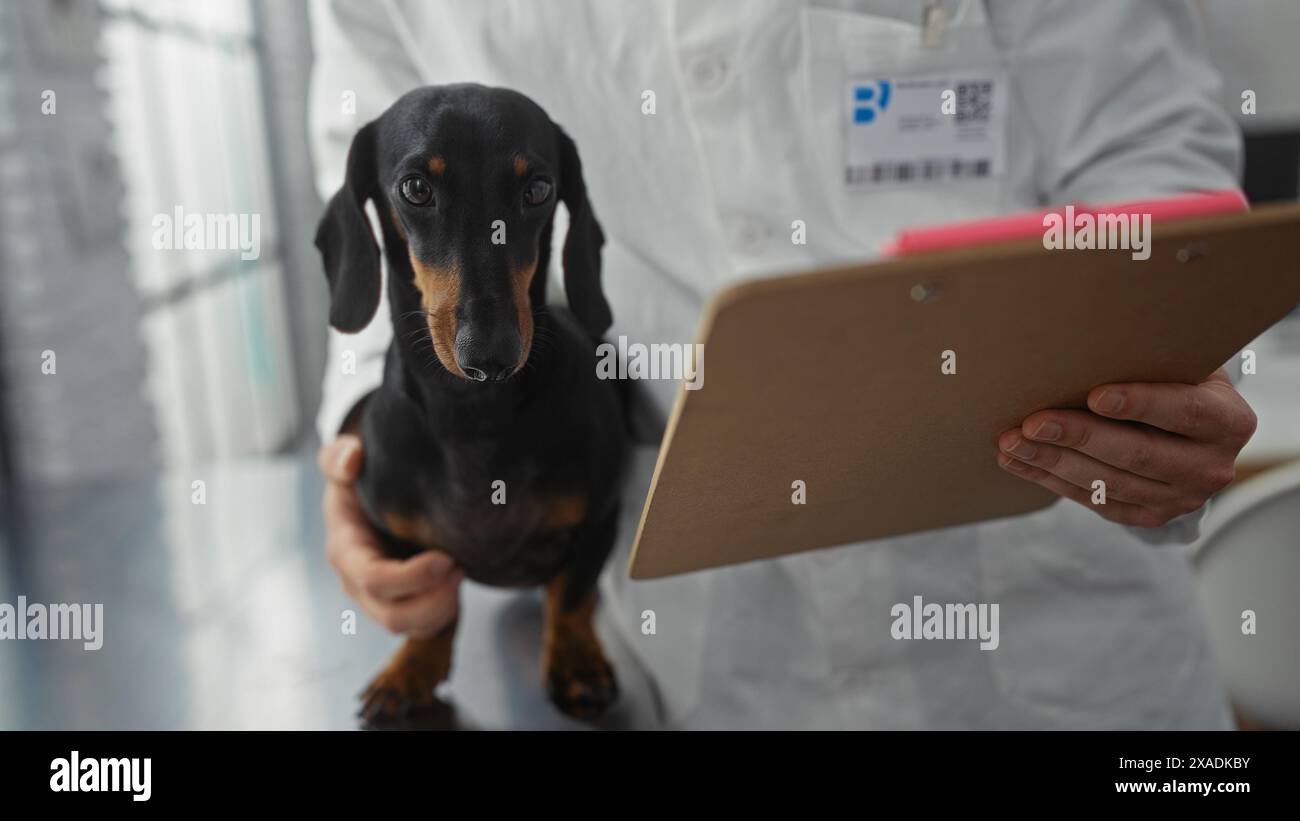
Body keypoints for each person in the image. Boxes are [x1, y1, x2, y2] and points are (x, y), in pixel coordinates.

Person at [310, 0, 1255, 728]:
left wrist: (1167, 375)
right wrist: (365, 426)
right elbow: (368, 177)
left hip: (1056, 619)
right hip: (703, 648)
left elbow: (1144, 144)